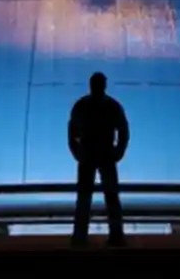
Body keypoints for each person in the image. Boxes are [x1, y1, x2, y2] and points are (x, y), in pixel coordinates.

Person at [68, 72, 129, 247]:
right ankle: (115, 235)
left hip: (92, 156)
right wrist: (118, 152)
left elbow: (71, 132)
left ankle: (81, 237)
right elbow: (123, 131)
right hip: (101, 156)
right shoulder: (112, 106)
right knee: (107, 197)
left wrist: (77, 152)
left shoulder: (82, 105)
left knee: (88, 197)